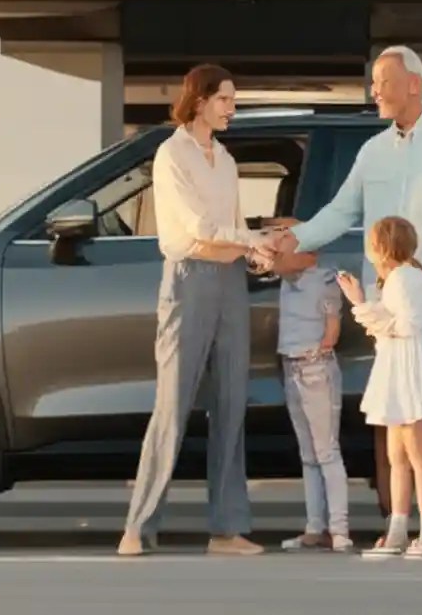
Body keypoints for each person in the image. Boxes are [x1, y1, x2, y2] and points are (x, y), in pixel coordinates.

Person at [264, 45, 422, 555]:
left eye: (382, 82)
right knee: (391, 413)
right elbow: (339, 212)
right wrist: (292, 239)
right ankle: (397, 522)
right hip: (388, 312)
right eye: (373, 83)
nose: (374, 91)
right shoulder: (372, 152)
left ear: (413, 84)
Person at [117, 64, 266, 557]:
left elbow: (231, 225)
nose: (232, 108)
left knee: (231, 405)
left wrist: (255, 252)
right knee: (173, 406)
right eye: (225, 99)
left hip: (231, 283)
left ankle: (227, 529)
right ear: (199, 101)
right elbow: (198, 228)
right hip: (188, 282)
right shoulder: (171, 154)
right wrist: (251, 240)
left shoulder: (225, 159)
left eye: (233, 99)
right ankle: (138, 527)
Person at [338, 216, 422, 557]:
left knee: (417, 454)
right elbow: (389, 326)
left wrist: (361, 305)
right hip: (396, 371)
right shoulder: (397, 279)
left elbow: (407, 325)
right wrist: (365, 305)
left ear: (381, 247)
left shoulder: (406, 278)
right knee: (397, 456)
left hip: (408, 374)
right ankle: (397, 531)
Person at [269, 235, 355, 554]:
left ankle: (339, 529)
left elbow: (333, 327)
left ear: (308, 253)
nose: (277, 256)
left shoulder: (325, 279)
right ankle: (314, 527)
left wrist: (324, 344)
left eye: (284, 249)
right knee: (308, 454)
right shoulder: (287, 280)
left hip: (315, 366)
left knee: (326, 450)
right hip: (291, 365)